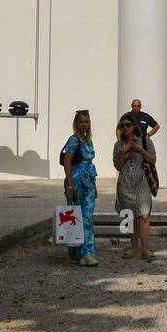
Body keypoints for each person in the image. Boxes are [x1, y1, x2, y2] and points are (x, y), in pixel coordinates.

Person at [113, 114, 157, 261]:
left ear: (133, 126)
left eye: (128, 125)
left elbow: (153, 160)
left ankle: (145, 249)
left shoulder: (145, 140)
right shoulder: (118, 145)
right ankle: (134, 248)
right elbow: (118, 166)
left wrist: (138, 148)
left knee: (144, 215)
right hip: (125, 183)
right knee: (129, 217)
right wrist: (124, 151)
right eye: (122, 126)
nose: (125, 128)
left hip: (142, 182)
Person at [61, 110, 99, 266]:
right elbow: (67, 162)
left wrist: (94, 185)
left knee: (88, 216)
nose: (84, 124)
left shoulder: (88, 140)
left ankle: (87, 251)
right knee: (76, 217)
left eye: (87, 121)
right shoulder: (74, 140)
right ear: (76, 123)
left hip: (88, 180)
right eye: (82, 121)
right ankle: (78, 251)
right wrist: (70, 185)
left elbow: (90, 164)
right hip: (76, 181)